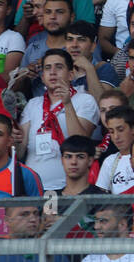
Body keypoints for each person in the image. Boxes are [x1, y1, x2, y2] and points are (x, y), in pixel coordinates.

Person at [18, 49, 99, 192]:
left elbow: (80, 141)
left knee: (54, 214)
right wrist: (14, 139)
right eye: (47, 68)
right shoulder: (32, 104)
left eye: (59, 67)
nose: (53, 72)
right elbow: (20, 151)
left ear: (71, 74)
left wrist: (67, 104)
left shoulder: (84, 100)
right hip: (33, 189)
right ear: (42, 77)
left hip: (66, 190)